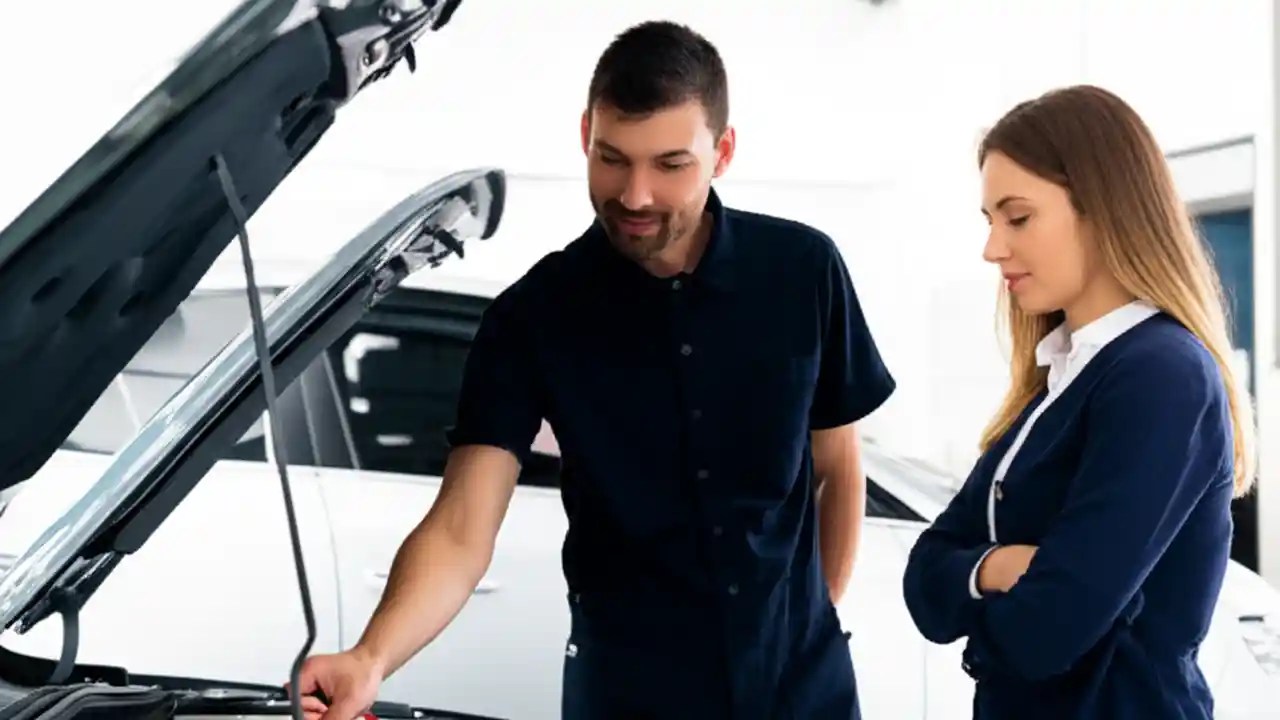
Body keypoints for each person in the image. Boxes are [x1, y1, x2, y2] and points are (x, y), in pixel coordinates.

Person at [291, 20, 896, 720]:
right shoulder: (533, 317)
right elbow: (461, 528)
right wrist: (370, 658)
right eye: (613, 158)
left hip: (804, 693)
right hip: (629, 694)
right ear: (586, 135)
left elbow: (837, 467)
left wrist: (814, 618)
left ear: (722, 152)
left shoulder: (804, 272)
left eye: (670, 165)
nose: (635, 195)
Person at [901, 84, 1257, 719]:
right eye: (990, 221)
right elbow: (923, 576)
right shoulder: (1059, 378)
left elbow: (1047, 631)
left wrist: (978, 589)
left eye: (1018, 217)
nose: (993, 248)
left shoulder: (1162, 376)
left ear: (1103, 208)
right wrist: (999, 570)